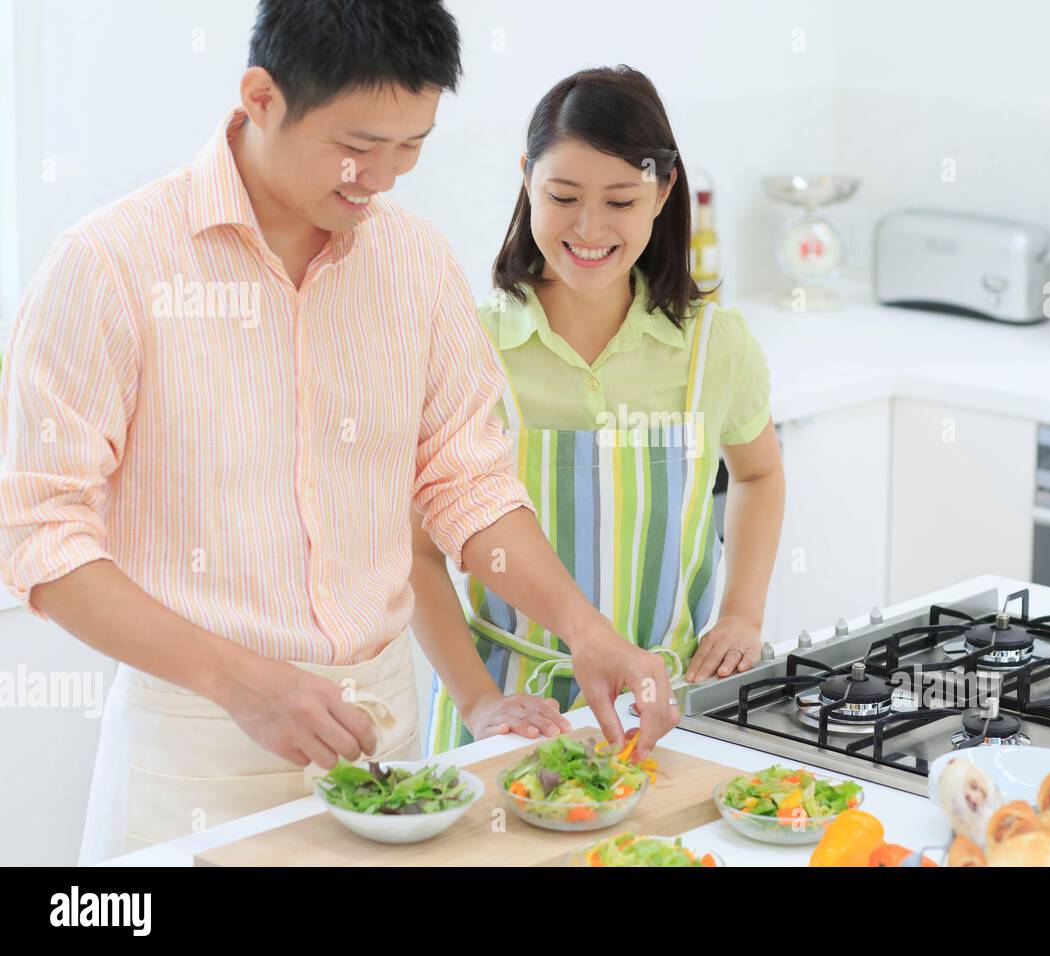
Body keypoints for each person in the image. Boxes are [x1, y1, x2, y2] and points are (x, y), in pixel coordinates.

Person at [0, 1, 675, 865]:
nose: (382, 178)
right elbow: (40, 539)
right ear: (261, 97)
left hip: (383, 743)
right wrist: (239, 680)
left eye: (412, 147)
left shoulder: (414, 263)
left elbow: (465, 485)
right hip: (196, 749)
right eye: (358, 145)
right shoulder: (109, 265)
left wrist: (585, 628)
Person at [414, 66, 785, 753]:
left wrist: (741, 613)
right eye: (563, 195)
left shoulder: (713, 346)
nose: (589, 228)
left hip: (665, 713)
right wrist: (479, 701)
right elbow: (414, 550)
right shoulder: (470, 346)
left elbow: (760, 474)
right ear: (526, 180)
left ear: (664, 190)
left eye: (620, 200)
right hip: (514, 716)